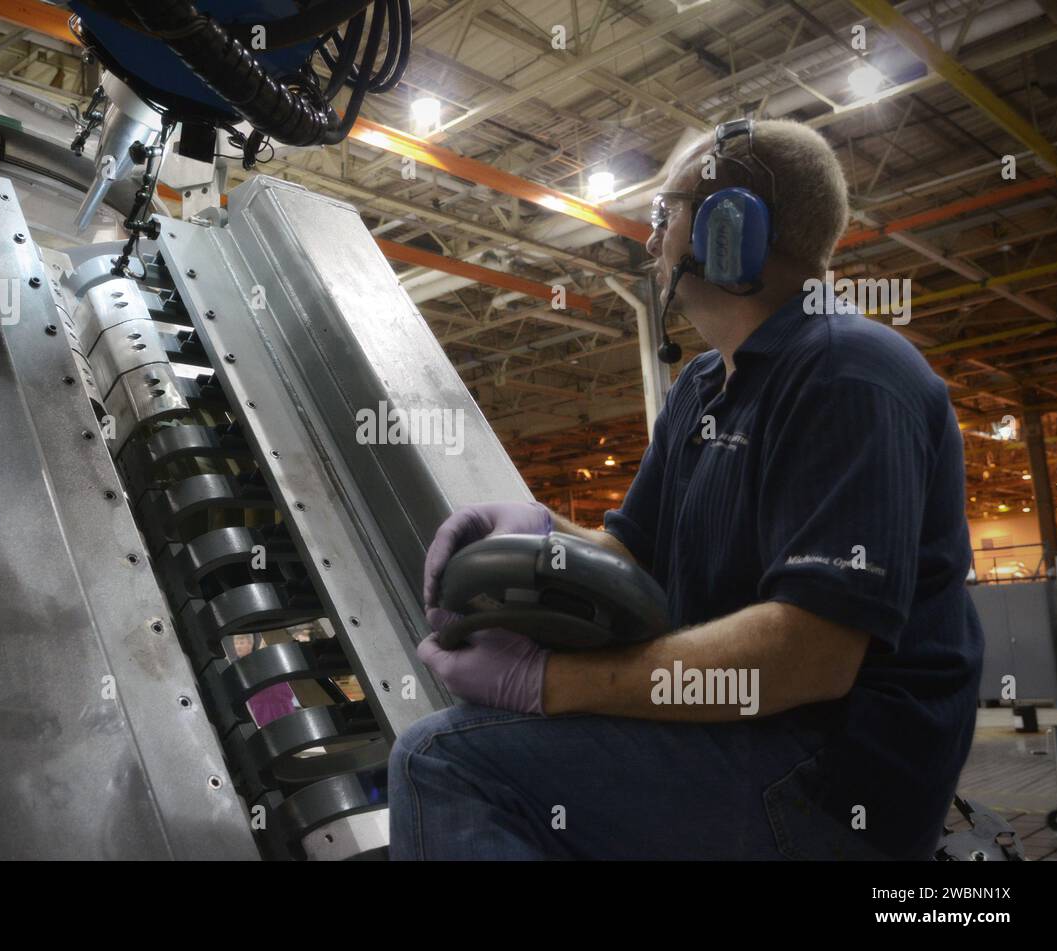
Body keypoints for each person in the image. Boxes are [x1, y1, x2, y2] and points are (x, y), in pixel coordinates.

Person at [388, 118, 984, 861]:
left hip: (832, 778)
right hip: (745, 732)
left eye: (663, 214)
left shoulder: (851, 372)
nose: (649, 241)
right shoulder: (703, 386)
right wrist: (535, 528)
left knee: (446, 761)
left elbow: (810, 654)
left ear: (729, 230)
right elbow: (630, 554)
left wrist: (552, 682)